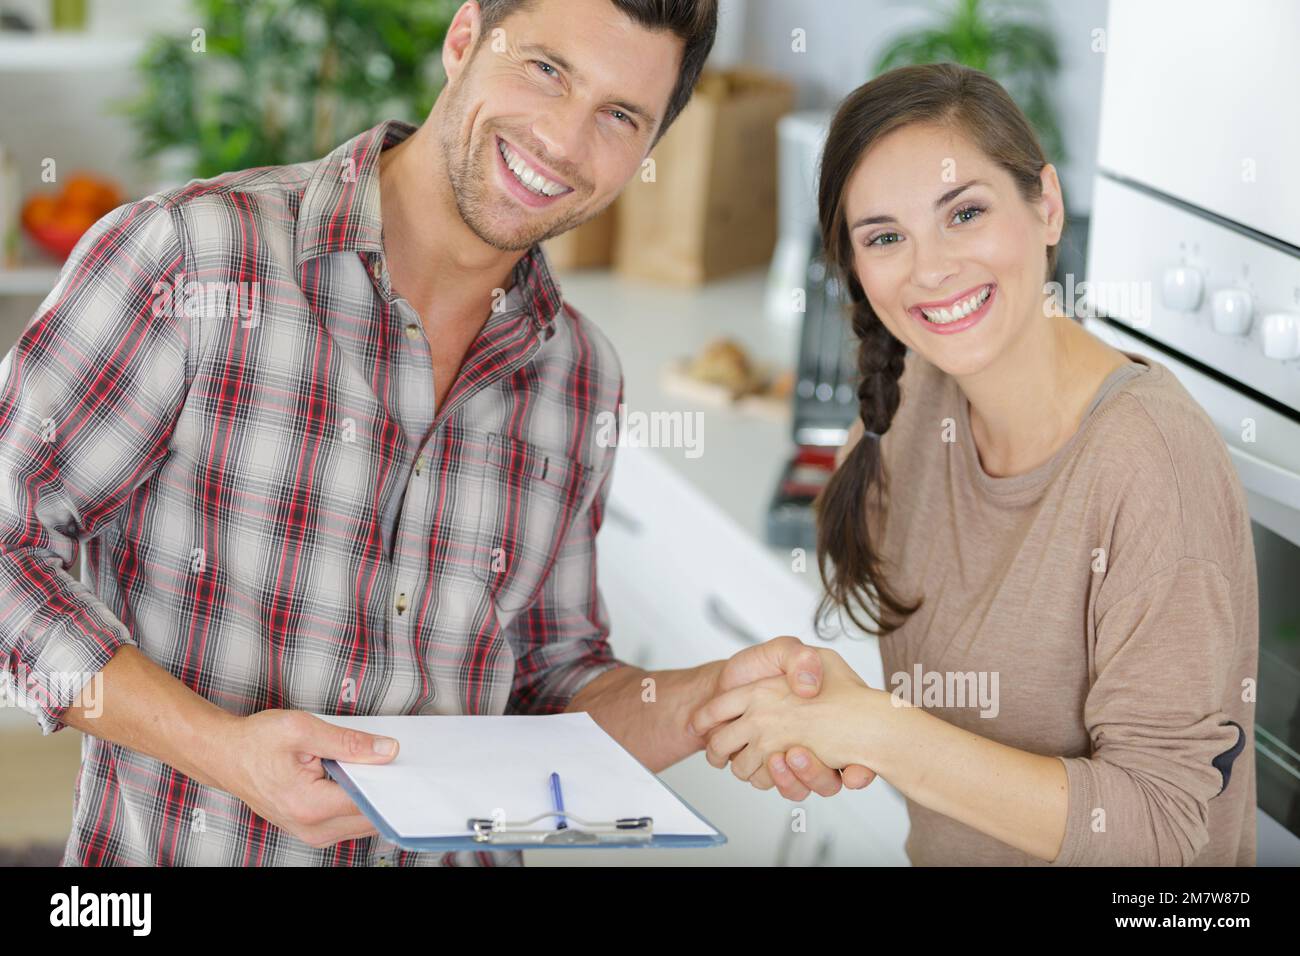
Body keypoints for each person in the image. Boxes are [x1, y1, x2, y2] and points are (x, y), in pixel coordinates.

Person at [0, 0, 856, 867]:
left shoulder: (579, 374)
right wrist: (220, 749)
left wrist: (715, 698)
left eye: (618, 115)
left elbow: (546, 685)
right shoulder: (193, 257)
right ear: (463, 40)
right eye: (546, 69)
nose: (563, 139)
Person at [691, 63, 1259, 866]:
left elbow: (1156, 832)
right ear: (856, 268)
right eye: (886, 236)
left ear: (1047, 205)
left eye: (964, 213)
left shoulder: (1149, 462)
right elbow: (947, 748)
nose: (931, 267)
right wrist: (824, 721)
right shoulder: (910, 403)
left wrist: (873, 728)